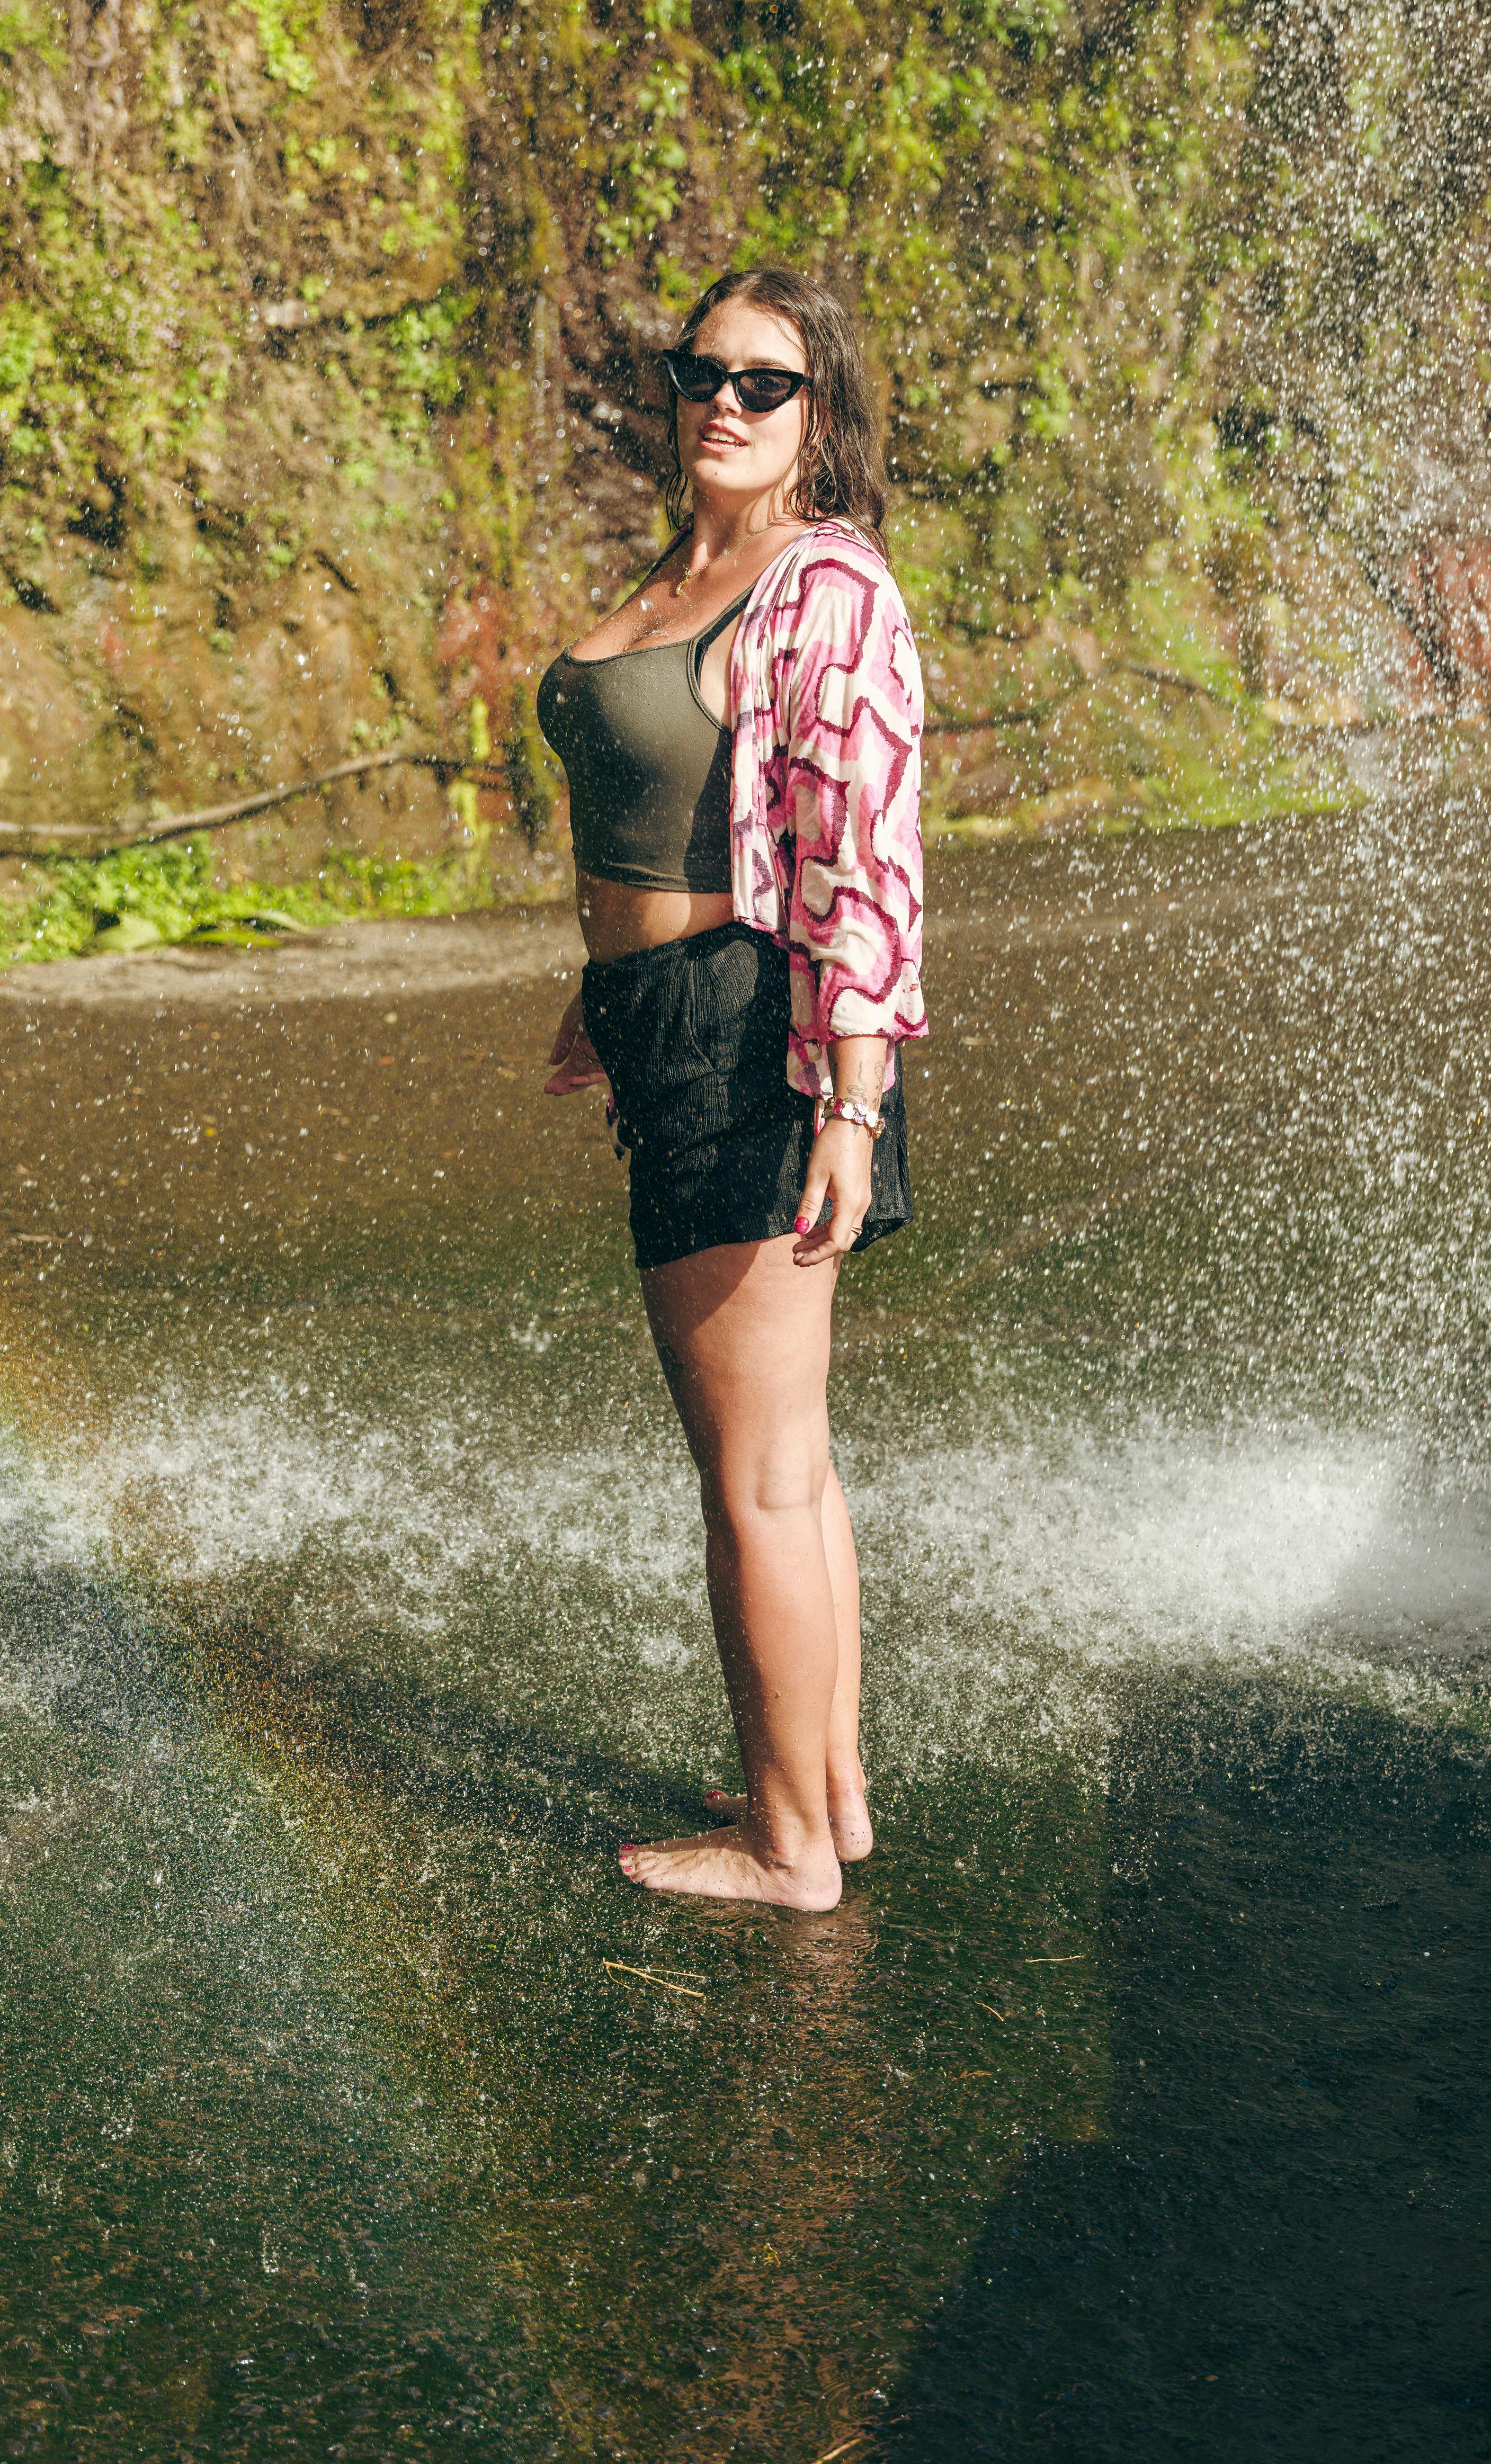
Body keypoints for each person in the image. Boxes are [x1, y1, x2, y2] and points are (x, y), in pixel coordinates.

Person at [537, 265, 926, 1910]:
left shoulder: (821, 583)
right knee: (795, 1460)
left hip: (753, 1035)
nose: (723, 402)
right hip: (667, 1014)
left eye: (765, 384)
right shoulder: (684, 573)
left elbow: (865, 845)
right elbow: (668, 815)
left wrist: (850, 1096)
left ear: (819, 415)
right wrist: (596, 991)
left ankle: (781, 1852)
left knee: (755, 1474)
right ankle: (820, 1791)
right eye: (702, 371)